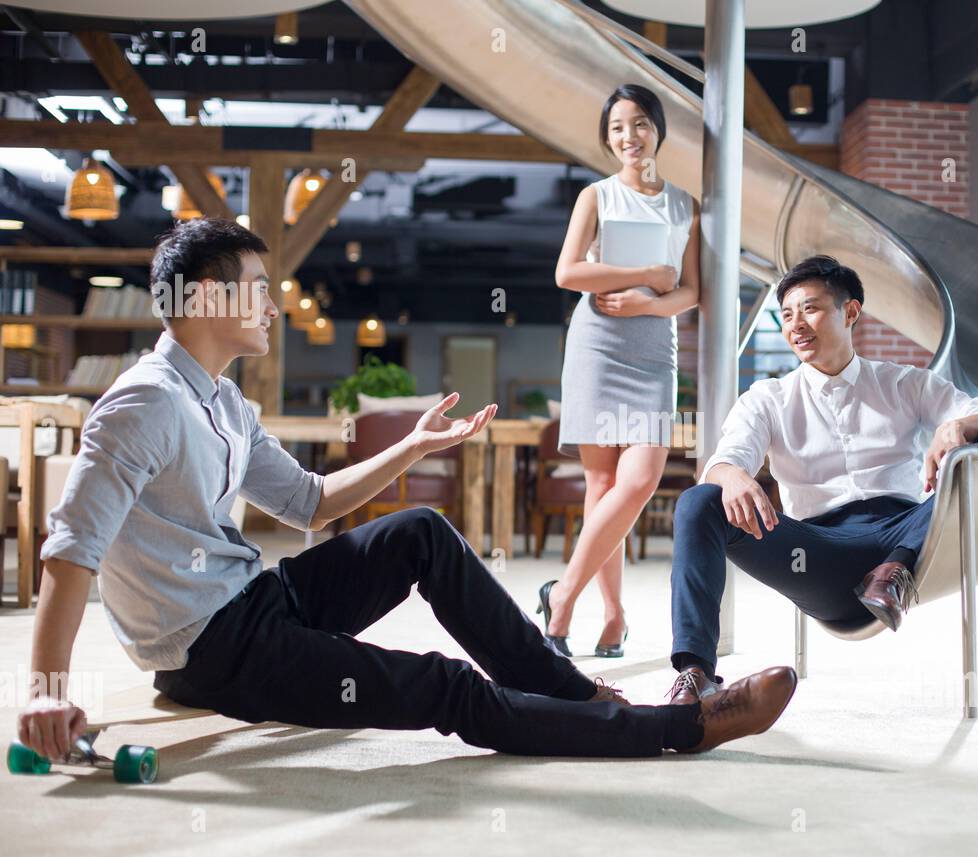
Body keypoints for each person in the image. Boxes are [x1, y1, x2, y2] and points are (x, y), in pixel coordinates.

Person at [16, 218, 797, 764]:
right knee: (440, 684)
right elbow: (70, 549)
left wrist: (414, 447)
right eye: (256, 287)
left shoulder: (223, 400)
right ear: (207, 298)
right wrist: (48, 692)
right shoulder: (145, 401)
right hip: (211, 649)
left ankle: (584, 694)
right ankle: (678, 728)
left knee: (419, 530)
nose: (271, 305)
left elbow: (310, 501)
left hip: (253, 600)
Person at [666, 255, 978, 704]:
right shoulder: (769, 398)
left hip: (912, 532)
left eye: (810, 308)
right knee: (699, 501)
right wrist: (731, 476)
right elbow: (726, 458)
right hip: (819, 551)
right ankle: (695, 675)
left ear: (850, 312)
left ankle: (894, 568)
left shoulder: (904, 383)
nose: (796, 325)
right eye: (786, 315)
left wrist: (958, 427)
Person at [542, 83, 702, 658]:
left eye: (638, 124)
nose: (628, 136)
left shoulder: (685, 204)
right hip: (597, 346)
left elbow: (692, 290)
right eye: (616, 128)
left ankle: (562, 595)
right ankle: (612, 616)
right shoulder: (596, 196)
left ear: (657, 129)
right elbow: (566, 274)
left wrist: (652, 298)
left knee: (638, 482)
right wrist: (640, 274)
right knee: (604, 486)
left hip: (653, 353)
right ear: (607, 139)